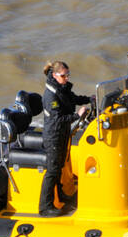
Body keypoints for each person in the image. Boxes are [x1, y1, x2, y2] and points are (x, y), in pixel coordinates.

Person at [39, 61, 91, 217]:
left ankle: (61, 195)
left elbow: (73, 98)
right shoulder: (51, 95)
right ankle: (44, 207)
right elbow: (58, 119)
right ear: (55, 75)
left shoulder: (61, 88)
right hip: (53, 135)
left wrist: (89, 99)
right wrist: (77, 116)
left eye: (68, 75)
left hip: (62, 134)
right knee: (52, 170)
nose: (66, 78)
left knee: (60, 166)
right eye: (63, 76)